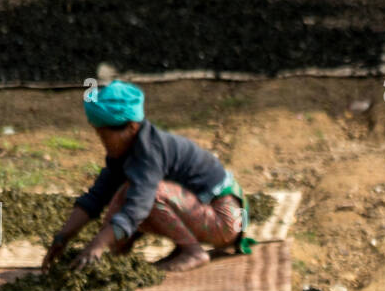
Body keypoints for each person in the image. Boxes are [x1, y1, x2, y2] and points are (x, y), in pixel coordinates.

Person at [43, 80, 251, 275]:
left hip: (225, 219)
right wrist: (63, 237)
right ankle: (122, 256)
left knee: (148, 196)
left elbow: (138, 207)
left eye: (106, 136)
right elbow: (97, 197)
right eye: (100, 136)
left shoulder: (150, 152)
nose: (103, 143)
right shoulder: (124, 153)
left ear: (132, 127)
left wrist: (96, 246)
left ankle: (192, 252)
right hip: (201, 213)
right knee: (122, 195)